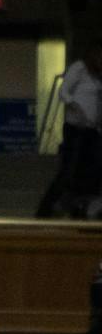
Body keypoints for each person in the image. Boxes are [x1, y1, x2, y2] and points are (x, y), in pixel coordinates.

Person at [38, 37, 101, 219]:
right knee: (68, 171)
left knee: (89, 171)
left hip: (92, 129)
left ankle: (80, 210)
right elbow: (63, 91)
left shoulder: (97, 76)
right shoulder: (79, 69)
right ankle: (45, 210)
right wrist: (75, 106)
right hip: (76, 128)